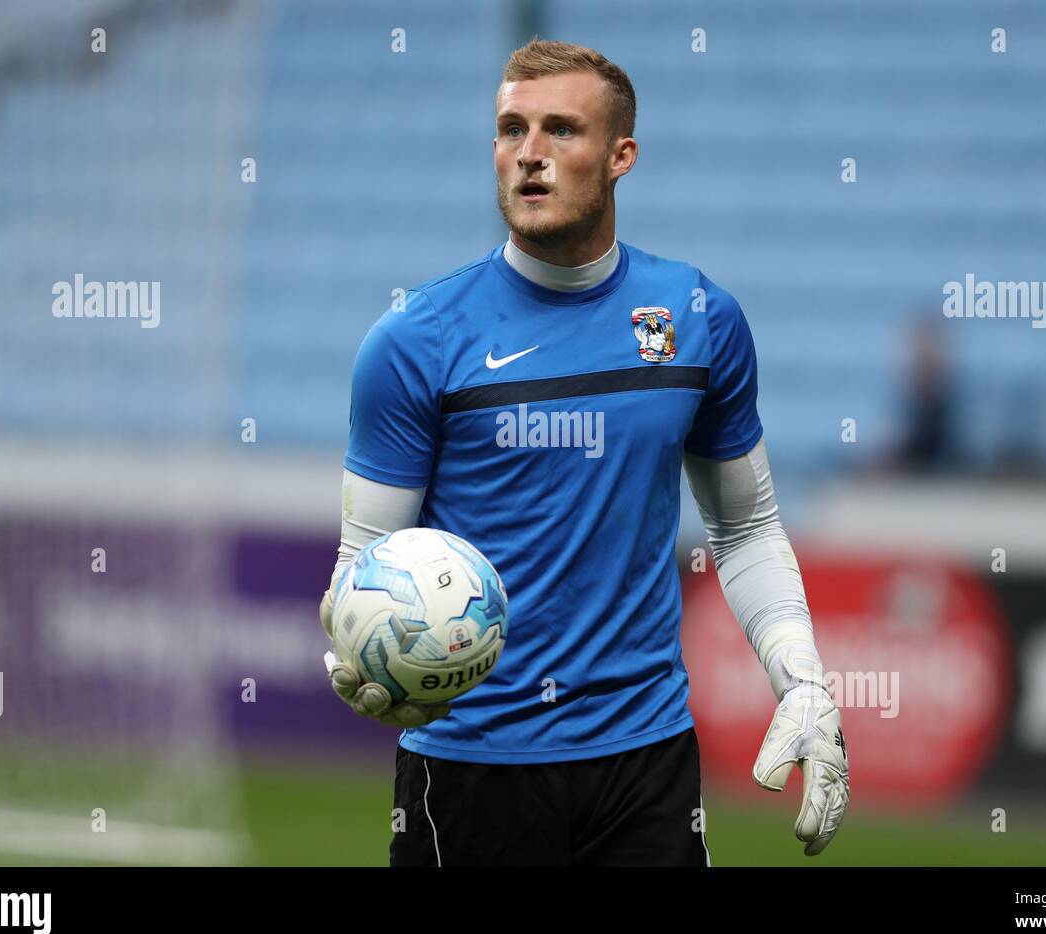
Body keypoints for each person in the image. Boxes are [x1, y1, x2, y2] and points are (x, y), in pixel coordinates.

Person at [319, 39, 849, 866]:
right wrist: (355, 656)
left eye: (561, 130)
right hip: (468, 770)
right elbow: (362, 563)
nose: (529, 154)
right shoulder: (413, 343)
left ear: (620, 155)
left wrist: (804, 680)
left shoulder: (698, 317)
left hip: (647, 766)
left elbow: (744, 529)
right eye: (510, 129)